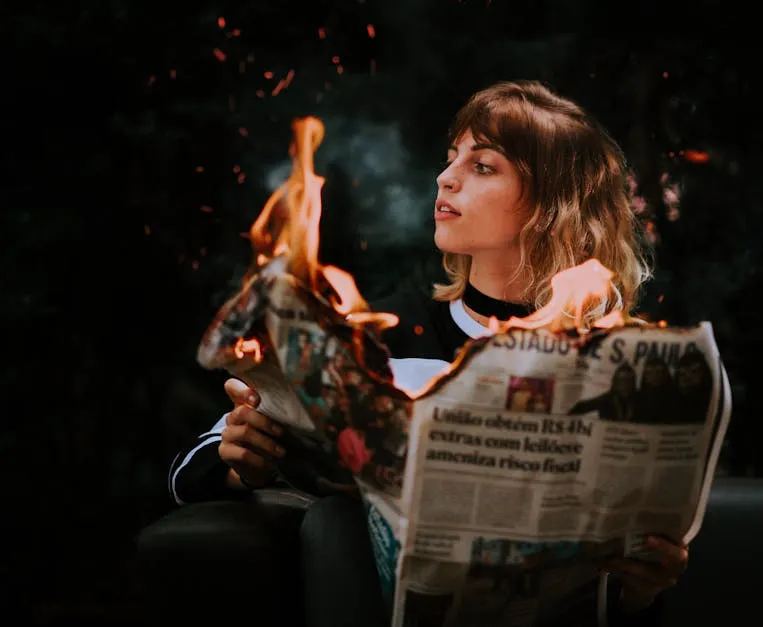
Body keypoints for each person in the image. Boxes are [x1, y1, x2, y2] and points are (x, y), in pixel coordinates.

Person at [168, 80, 688, 626]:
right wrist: (238, 461)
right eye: (450, 158)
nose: (446, 176)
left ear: (551, 205)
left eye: (483, 165)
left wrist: (641, 593)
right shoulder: (380, 333)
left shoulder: (617, 362)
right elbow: (186, 474)